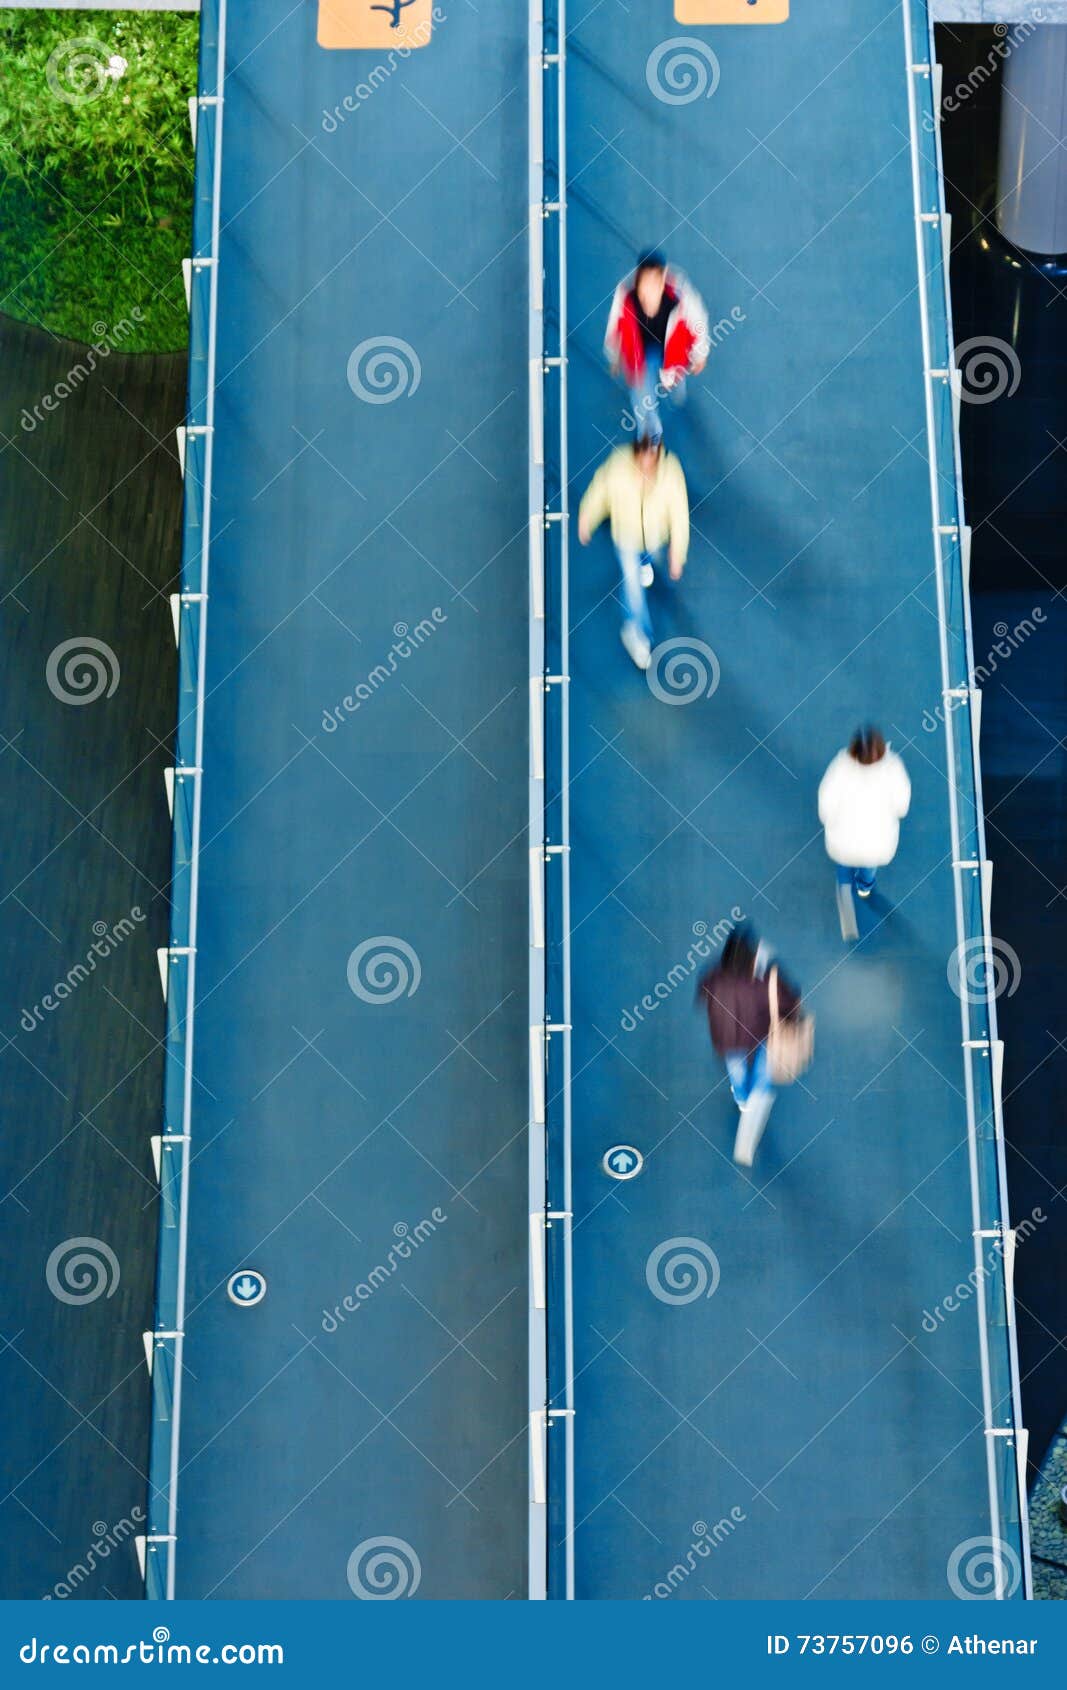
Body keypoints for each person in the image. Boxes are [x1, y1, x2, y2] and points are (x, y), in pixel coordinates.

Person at [577, 435, 690, 670]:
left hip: (654, 538)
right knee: (632, 589)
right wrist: (587, 516)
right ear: (636, 453)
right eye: (643, 456)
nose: (647, 463)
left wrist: (677, 555)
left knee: (651, 559)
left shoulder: (670, 471)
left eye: (653, 457)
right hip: (626, 539)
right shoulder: (619, 464)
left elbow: (679, 515)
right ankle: (637, 634)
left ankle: (645, 565)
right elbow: (600, 490)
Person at [697, 928, 802, 1167]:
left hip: (725, 1038)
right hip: (758, 1037)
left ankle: (742, 1098)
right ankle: (757, 1098)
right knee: (761, 1073)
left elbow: (703, 996)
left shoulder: (713, 976)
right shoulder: (764, 980)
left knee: (736, 1069)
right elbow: (789, 1003)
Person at [605, 251, 710, 443]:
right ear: (638, 279)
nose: (650, 288)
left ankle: (675, 391)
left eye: (655, 282)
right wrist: (614, 356)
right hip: (640, 353)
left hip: (673, 351)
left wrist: (700, 353)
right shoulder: (626, 296)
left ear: (663, 280)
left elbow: (698, 321)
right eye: (645, 282)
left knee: (675, 388)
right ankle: (651, 440)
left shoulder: (680, 296)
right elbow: (614, 325)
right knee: (643, 401)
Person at [818, 727, 911, 938]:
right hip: (876, 845)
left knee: (844, 865)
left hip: (843, 842)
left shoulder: (840, 766)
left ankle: (845, 894)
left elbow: (826, 802)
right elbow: (902, 807)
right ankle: (864, 889)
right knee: (868, 868)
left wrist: (829, 820)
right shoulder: (893, 768)